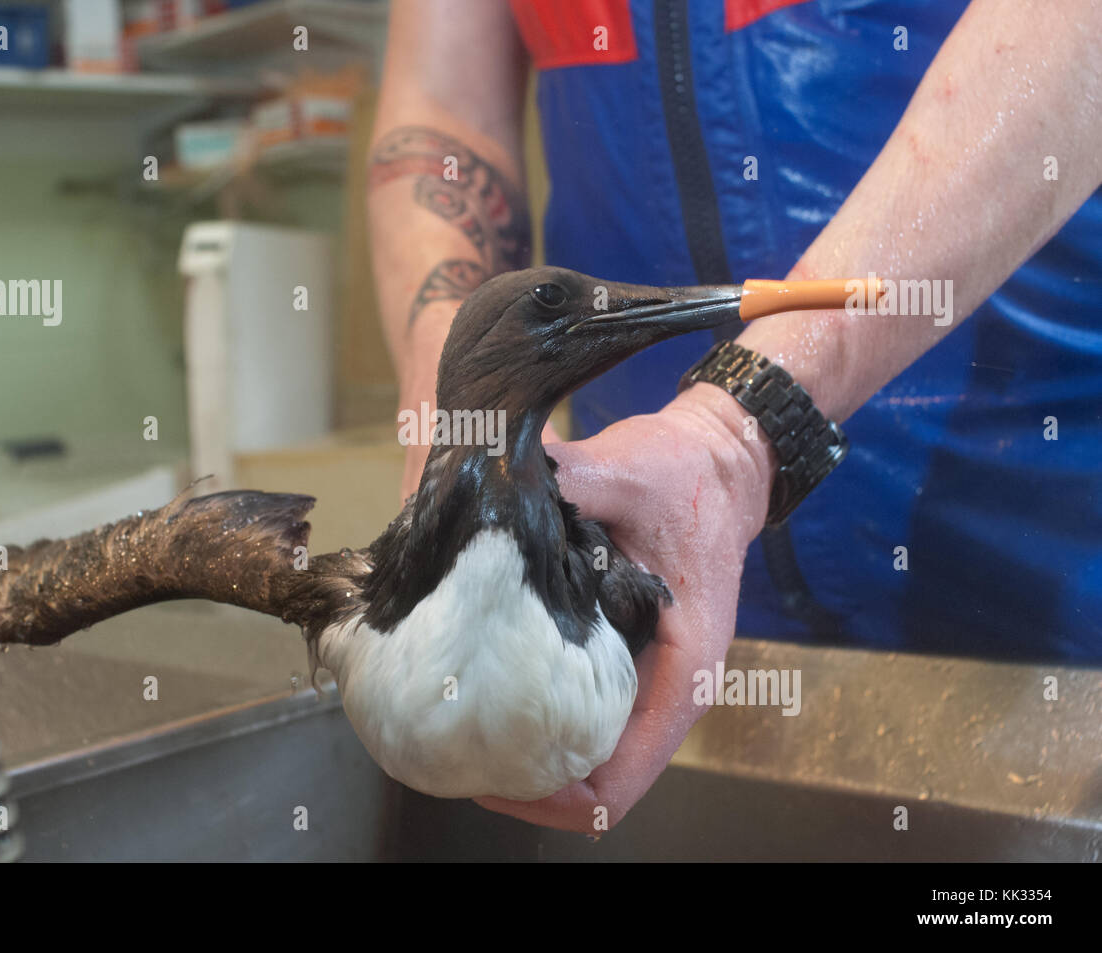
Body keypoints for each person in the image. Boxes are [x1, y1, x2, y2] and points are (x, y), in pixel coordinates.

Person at [366, 0, 1102, 832]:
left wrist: (735, 437)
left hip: (1043, 548)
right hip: (662, 576)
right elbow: (443, 107)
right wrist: (456, 407)